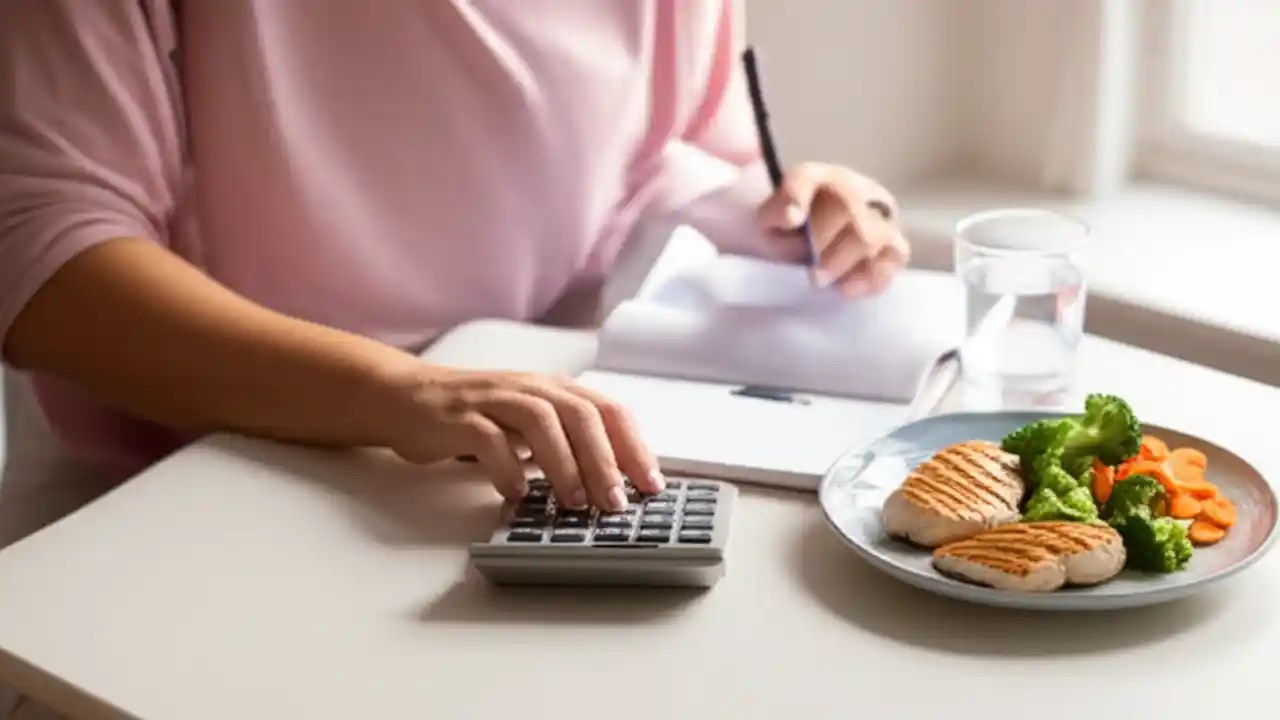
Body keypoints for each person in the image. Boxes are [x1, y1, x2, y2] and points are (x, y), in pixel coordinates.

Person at [0, 0, 909, 530]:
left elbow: (656, 150)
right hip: (182, 491)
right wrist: (398, 392)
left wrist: (777, 206)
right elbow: (46, 263)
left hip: (506, 447)